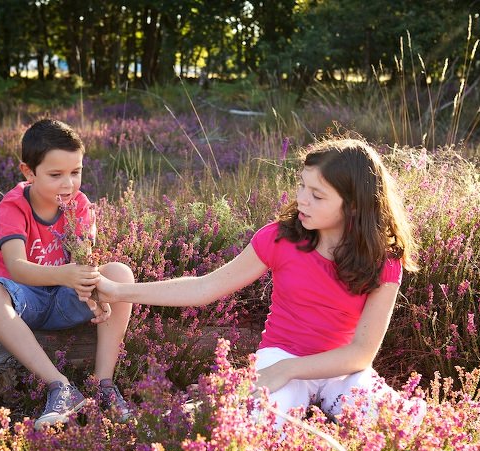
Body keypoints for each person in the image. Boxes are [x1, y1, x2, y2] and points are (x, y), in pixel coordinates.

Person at [93, 137, 422, 427]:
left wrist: (291, 369)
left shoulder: (384, 259)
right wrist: (119, 290)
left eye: (317, 195)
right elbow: (204, 287)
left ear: (352, 205)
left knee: (394, 425)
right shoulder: (281, 238)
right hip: (277, 357)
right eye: (301, 186)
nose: (302, 199)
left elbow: (362, 354)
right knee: (256, 428)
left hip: (341, 369)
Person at [0, 119, 134, 430]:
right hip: (22, 302)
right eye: (56, 175)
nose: (68, 184)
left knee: (119, 273)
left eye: (76, 172)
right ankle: (61, 387)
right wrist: (68, 275)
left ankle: (104, 385)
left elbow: (85, 261)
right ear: (29, 172)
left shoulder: (80, 205)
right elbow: (16, 267)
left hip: (63, 299)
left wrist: (95, 291)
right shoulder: (13, 207)